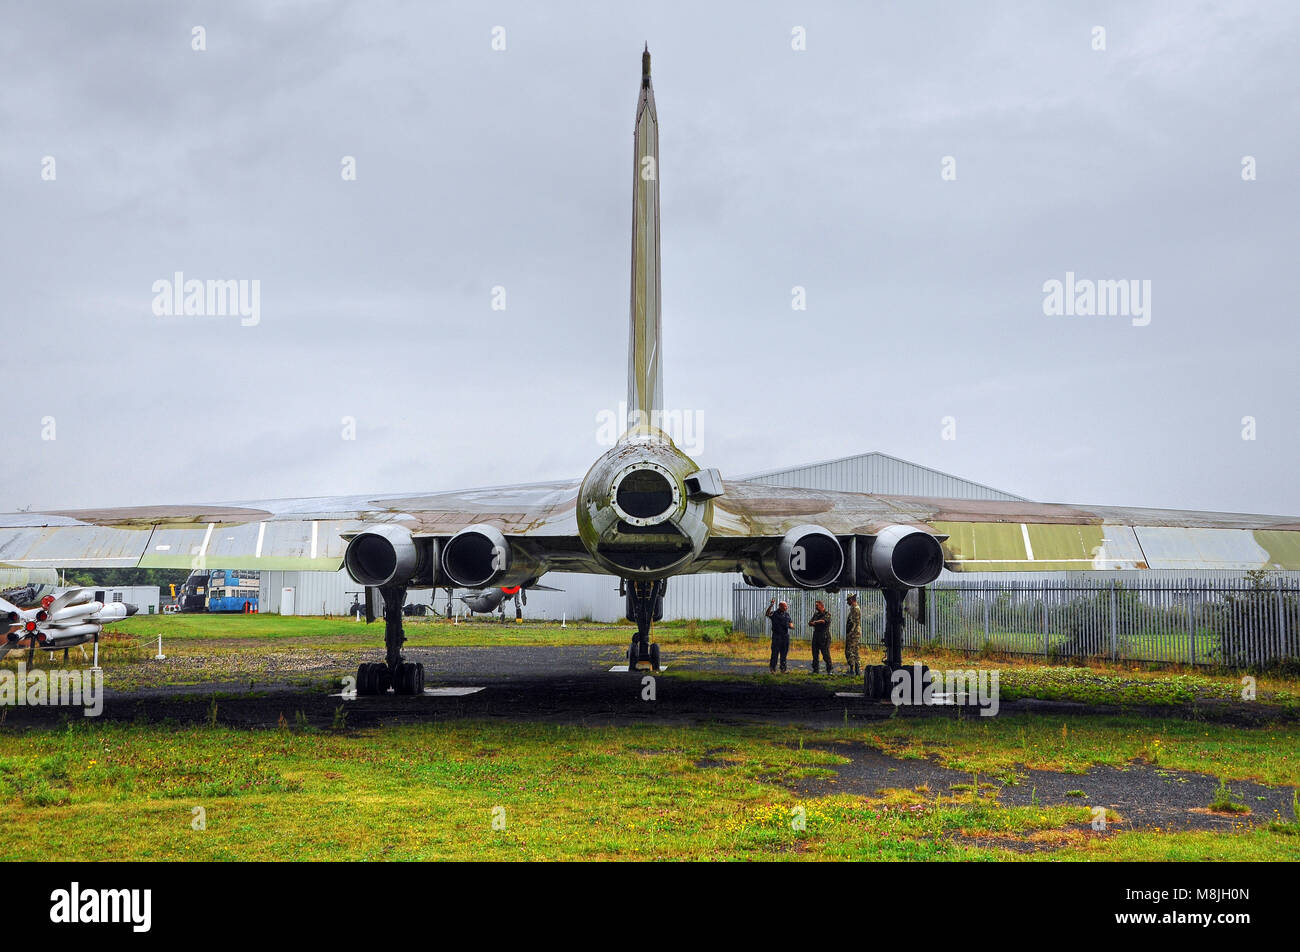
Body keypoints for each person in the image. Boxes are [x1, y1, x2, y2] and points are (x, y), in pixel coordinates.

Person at [765, 598, 792, 673]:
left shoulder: (787, 614)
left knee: (784, 654)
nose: (786, 608)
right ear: (780, 606)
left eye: (786, 606)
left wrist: (791, 626)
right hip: (777, 636)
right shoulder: (774, 613)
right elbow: (767, 614)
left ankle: (783, 669)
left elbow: (790, 622)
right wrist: (771, 605)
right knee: (775, 653)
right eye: (785, 606)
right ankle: (772, 669)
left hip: (785, 637)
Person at [808, 599, 833, 673]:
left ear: (822, 606)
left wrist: (815, 622)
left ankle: (829, 669)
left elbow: (823, 621)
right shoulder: (816, 614)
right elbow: (810, 622)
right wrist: (812, 623)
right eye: (815, 605)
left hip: (824, 635)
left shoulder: (827, 614)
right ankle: (815, 670)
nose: (816, 607)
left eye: (817, 605)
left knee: (825, 653)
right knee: (815, 653)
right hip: (816, 635)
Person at [844, 593, 862, 677]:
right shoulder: (853, 608)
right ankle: (857, 670)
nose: (847, 601)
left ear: (851, 599)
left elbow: (855, 622)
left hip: (853, 633)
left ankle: (852, 670)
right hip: (854, 632)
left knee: (849, 651)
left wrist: (850, 633)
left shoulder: (855, 609)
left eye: (848, 600)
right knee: (855, 651)